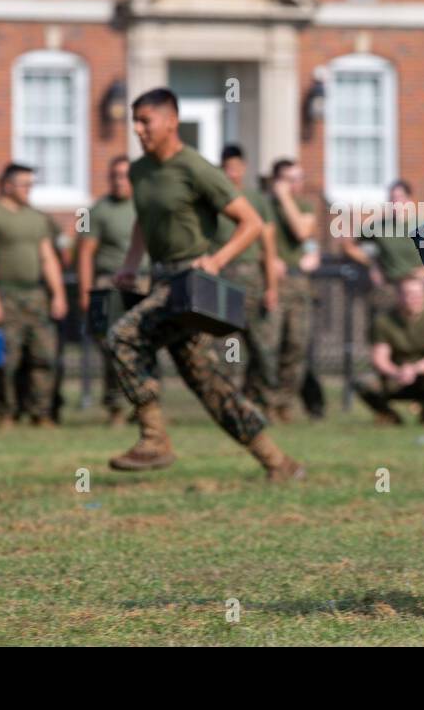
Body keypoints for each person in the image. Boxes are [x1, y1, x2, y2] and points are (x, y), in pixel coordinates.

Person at [106, 88, 304, 481]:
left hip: (191, 283)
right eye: (135, 120)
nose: (138, 128)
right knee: (209, 383)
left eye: (146, 120)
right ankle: (279, 462)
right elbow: (144, 221)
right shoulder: (140, 171)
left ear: (172, 121)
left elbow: (250, 223)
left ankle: (154, 438)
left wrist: (216, 260)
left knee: (124, 336)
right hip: (162, 278)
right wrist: (131, 265)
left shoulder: (195, 168)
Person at [0, 163, 67, 430]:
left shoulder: (37, 219)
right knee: (3, 359)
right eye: (24, 184)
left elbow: (48, 258)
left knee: (43, 356)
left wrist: (58, 295)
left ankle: (41, 412)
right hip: (5, 295)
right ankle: (6, 413)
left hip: (36, 296)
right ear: (7, 185)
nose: (29, 190)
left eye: (31, 184)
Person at [77, 155, 146, 427]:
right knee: (113, 346)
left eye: (125, 175)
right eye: (114, 175)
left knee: (144, 346)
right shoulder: (97, 211)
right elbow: (85, 253)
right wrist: (85, 292)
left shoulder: (145, 206)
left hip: (144, 282)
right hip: (110, 285)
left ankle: (144, 404)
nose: (119, 181)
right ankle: (116, 406)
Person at [212, 144, 281, 402]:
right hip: (222, 279)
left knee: (262, 344)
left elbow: (269, 247)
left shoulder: (257, 201)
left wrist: (271, 287)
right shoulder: (213, 200)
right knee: (227, 345)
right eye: (226, 168)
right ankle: (230, 401)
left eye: (236, 167)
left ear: (244, 168)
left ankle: (265, 401)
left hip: (252, 278)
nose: (231, 173)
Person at [353, 275, 424, 425]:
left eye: (417, 294)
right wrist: (397, 372)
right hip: (393, 377)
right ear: (398, 295)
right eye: (408, 294)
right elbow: (380, 358)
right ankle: (390, 416)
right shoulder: (383, 321)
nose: (413, 298)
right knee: (364, 383)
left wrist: (414, 369)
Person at [265, 159, 318, 422]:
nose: (296, 184)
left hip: (297, 286)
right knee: (268, 345)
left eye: (299, 178)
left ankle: (284, 402)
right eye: (289, 179)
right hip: (269, 284)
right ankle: (266, 402)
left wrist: (285, 198)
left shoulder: (305, 206)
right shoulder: (263, 206)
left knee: (296, 345)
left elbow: (301, 232)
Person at [341, 179, 424, 317]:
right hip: (389, 288)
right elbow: (348, 245)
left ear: (409, 199)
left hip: (417, 288)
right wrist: (371, 263)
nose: (395, 202)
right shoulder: (380, 227)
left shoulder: (423, 225)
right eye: (392, 198)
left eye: (399, 198)